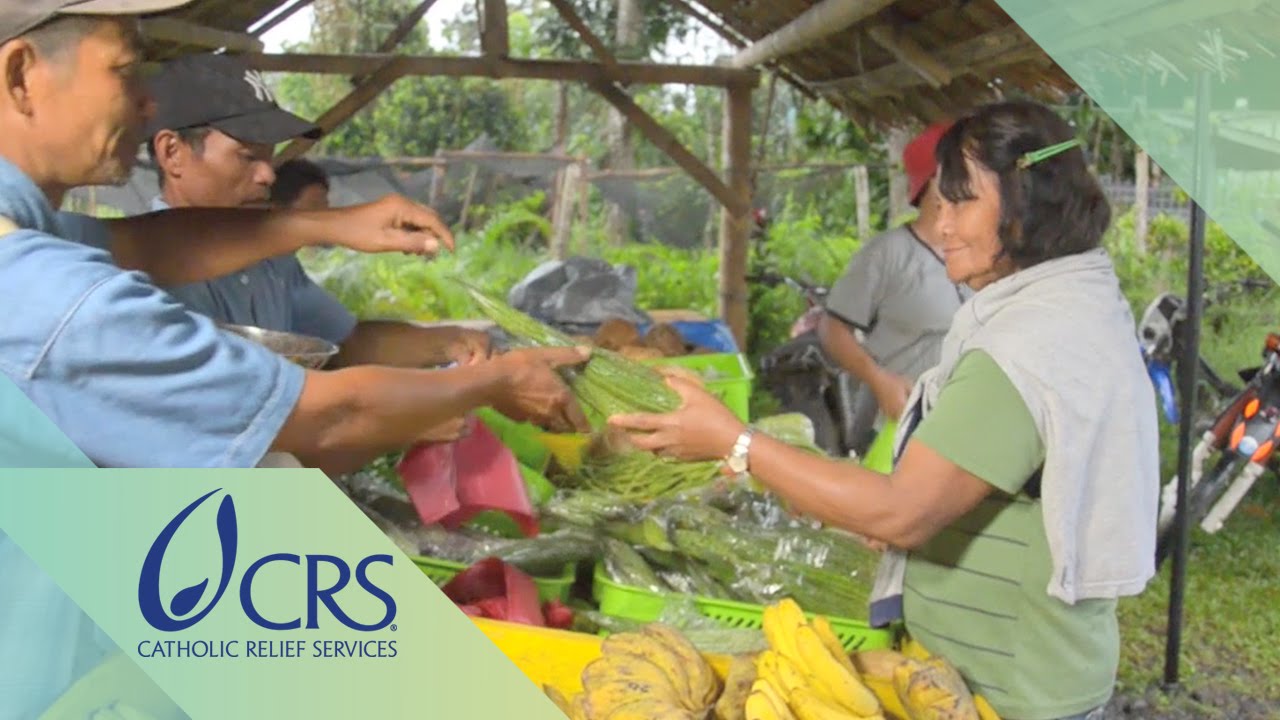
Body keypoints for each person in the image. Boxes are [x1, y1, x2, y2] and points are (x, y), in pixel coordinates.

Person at [611, 101, 1159, 720]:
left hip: (1012, 687)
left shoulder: (1028, 348)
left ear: (1030, 202)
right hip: (1031, 672)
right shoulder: (1073, 305)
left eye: (961, 202)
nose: (942, 224)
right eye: (937, 203)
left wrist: (734, 442)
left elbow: (903, 513)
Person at [143, 53, 490, 369]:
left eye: (269, 155)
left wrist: (449, 343)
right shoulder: (146, 283)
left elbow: (346, 344)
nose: (268, 174)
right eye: (248, 156)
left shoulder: (271, 260)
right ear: (173, 152)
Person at [818, 121, 971, 463]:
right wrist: (879, 379)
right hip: (899, 422)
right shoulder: (888, 254)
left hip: (963, 422)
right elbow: (832, 329)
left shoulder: (981, 249)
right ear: (933, 181)